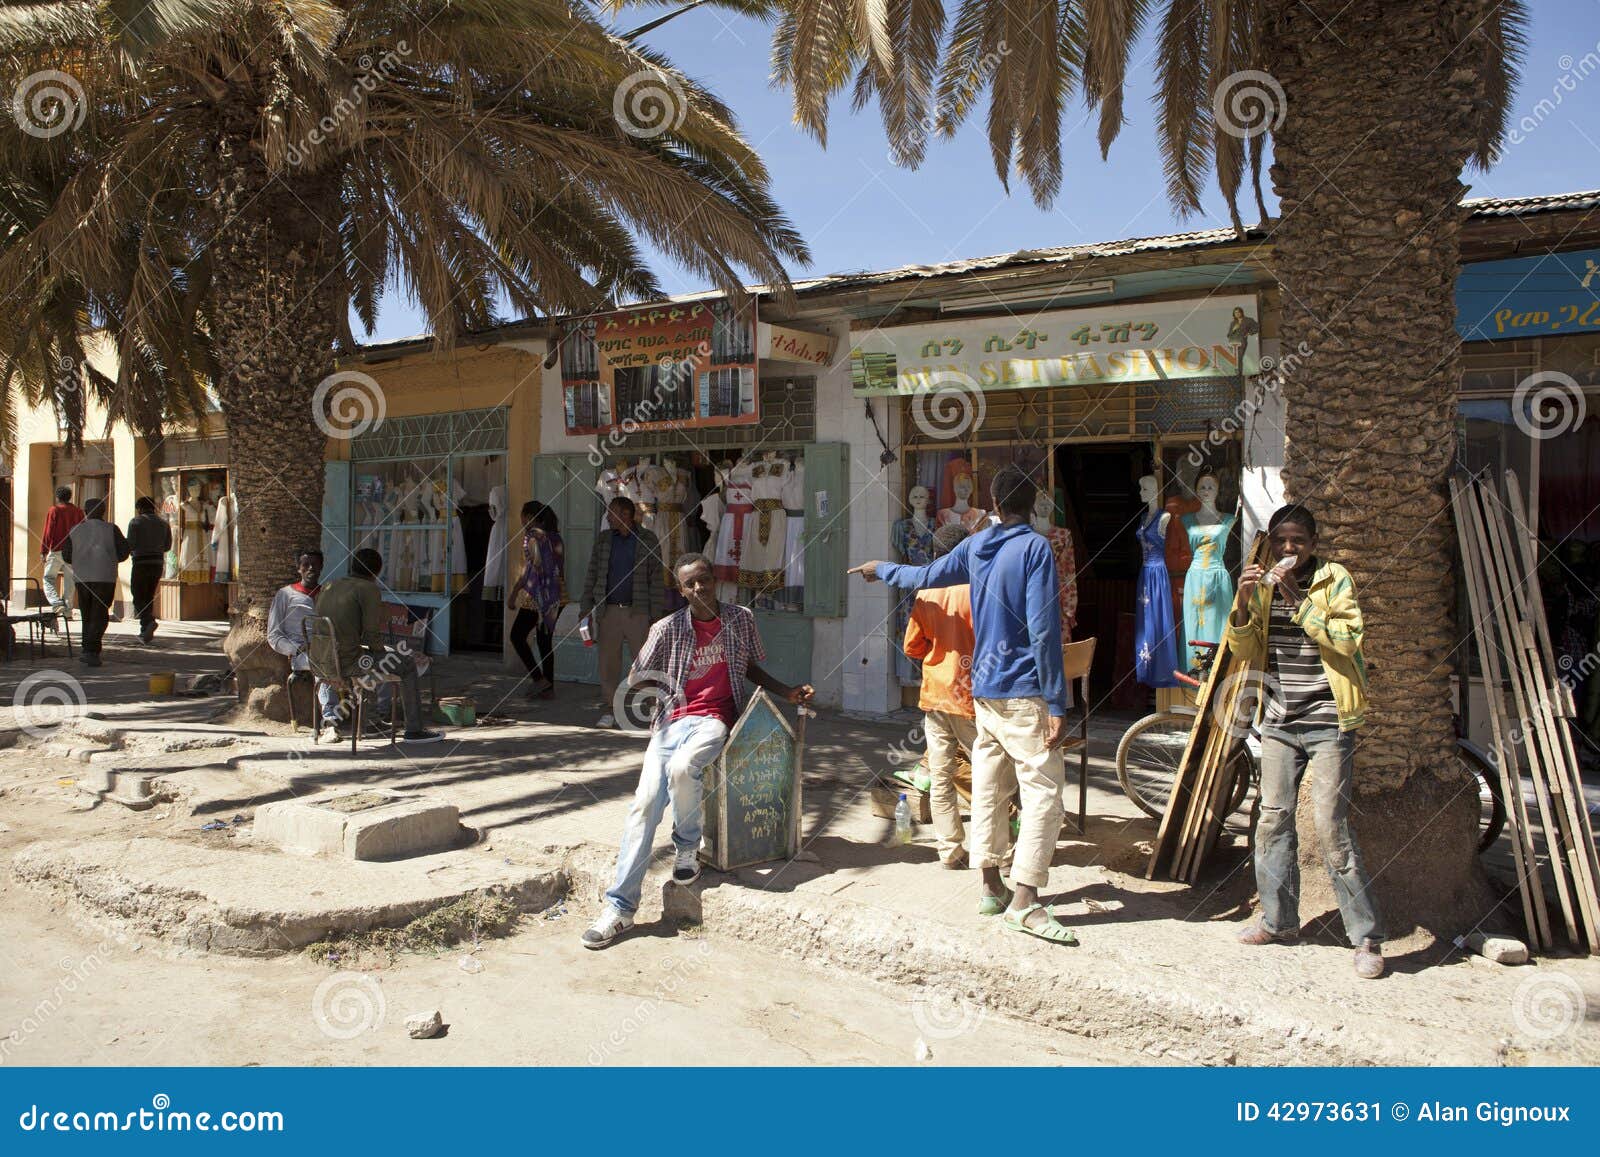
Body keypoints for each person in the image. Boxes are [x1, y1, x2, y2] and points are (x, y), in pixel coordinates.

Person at [851, 467, 1075, 944]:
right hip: (1023, 691)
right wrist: (1057, 700)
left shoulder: (976, 545)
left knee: (991, 789)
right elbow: (1043, 628)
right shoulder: (1034, 547)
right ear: (1032, 504)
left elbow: (924, 575)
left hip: (985, 691)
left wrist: (880, 569)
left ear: (993, 502)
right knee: (1042, 794)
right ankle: (1026, 901)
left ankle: (991, 888)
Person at [582, 552, 814, 949]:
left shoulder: (740, 618)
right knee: (644, 804)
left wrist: (786, 690)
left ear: (715, 580)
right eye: (690, 584)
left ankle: (687, 847)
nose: (699, 588)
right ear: (681, 590)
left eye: (704, 580)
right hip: (670, 722)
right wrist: (647, 680)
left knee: (685, 767)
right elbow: (636, 675)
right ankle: (619, 909)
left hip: (715, 720)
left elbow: (746, 667)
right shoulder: (667, 627)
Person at [1226, 503, 1384, 980]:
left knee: (1331, 828)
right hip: (1278, 720)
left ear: (1314, 544)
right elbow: (1244, 647)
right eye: (1281, 541)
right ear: (1272, 543)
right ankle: (1279, 921)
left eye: (1298, 541)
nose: (1289, 548)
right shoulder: (1264, 584)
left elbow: (1348, 639)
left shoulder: (1334, 579)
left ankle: (1367, 937)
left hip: (1329, 718)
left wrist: (1299, 601)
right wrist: (1242, 599)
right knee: (1272, 820)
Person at [312, 548, 444, 744]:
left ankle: (371, 720)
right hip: (348, 664)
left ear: (352, 566)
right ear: (377, 572)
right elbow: (372, 634)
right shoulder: (368, 588)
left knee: (373, 658)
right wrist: (383, 654)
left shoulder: (330, 584)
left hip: (319, 662)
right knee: (406, 663)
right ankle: (414, 730)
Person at [903, 522, 977, 869]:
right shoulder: (979, 590)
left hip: (936, 695)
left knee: (941, 775)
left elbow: (912, 647)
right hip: (972, 696)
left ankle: (950, 850)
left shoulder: (926, 594)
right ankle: (1001, 850)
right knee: (991, 772)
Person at [580, 496, 665, 728]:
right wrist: (585, 608)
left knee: (644, 663)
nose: (608, 517)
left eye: (612, 512)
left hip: (638, 612)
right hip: (608, 612)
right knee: (608, 664)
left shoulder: (648, 539)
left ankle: (651, 710)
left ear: (625, 515)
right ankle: (610, 709)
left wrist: (656, 616)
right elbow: (592, 574)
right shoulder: (604, 540)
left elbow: (656, 580)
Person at [267, 549, 343, 733]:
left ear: (322, 567)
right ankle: (330, 722)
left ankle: (378, 713)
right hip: (302, 653)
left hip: (331, 649)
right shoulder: (285, 595)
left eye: (315, 565)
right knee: (322, 664)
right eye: (306, 565)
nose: (311, 569)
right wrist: (298, 647)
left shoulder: (328, 593)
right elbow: (273, 635)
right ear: (298, 568)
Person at [60, 499, 128, 667]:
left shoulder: (75, 530)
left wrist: (79, 560)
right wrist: (110, 559)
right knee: (100, 613)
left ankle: (87, 648)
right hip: (105, 576)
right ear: (103, 511)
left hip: (82, 577)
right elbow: (124, 552)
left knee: (87, 613)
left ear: (85, 511)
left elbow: (66, 555)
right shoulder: (111, 529)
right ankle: (92, 650)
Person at [508, 501, 563, 699]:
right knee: (544, 642)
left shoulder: (533, 537)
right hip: (558, 595)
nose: (522, 521)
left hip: (540, 596)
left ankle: (539, 679)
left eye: (523, 516)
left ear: (530, 516)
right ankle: (548, 688)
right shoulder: (556, 536)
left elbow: (532, 570)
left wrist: (515, 592)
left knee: (516, 636)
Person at [126, 496, 171, 644]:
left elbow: (130, 544)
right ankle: (144, 629)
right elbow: (168, 546)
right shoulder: (164, 524)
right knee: (149, 595)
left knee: (137, 593)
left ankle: (148, 620)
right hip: (157, 563)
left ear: (139, 509)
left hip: (141, 562)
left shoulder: (135, 522)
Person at [39, 486, 84, 616]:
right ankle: (68, 612)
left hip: (57, 549)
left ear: (57, 497)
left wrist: (44, 550)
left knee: (48, 578)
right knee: (70, 582)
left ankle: (57, 603)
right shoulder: (78, 512)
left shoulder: (54, 510)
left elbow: (48, 532)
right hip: (73, 552)